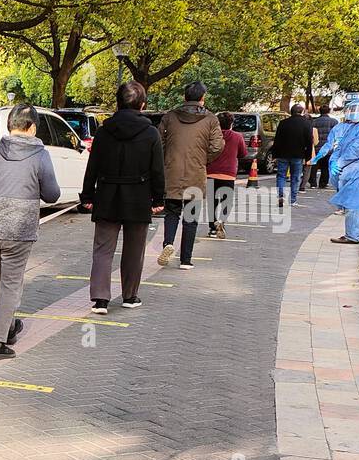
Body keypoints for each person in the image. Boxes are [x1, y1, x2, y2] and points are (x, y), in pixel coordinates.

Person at [0, 102, 60, 359]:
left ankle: (9, 326)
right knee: (11, 285)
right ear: (32, 127)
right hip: (20, 229)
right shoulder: (40, 155)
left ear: (10, 125)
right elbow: (52, 194)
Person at [81, 80, 165, 313]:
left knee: (103, 249)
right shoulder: (150, 133)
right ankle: (130, 295)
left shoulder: (104, 132)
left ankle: (100, 299)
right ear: (143, 104)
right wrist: (158, 199)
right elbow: (157, 169)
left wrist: (87, 195)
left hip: (107, 193)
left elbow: (93, 166)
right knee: (134, 249)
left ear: (117, 103)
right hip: (138, 196)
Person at [156, 80, 223, 270]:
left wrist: (167, 159)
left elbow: (158, 142)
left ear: (185, 97)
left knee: (172, 212)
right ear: (203, 98)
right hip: (196, 172)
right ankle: (186, 260)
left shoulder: (170, 117)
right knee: (191, 218)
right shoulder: (211, 119)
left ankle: (168, 243)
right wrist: (203, 159)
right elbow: (217, 146)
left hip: (172, 171)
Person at [313, 95, 359, 245]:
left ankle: (353, 236)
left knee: (353, 204)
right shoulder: (350, 128)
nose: (352, 112)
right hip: (350, 173)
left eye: (356, 109)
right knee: (352, 204)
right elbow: (336, 145)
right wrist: (321, 157)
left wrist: (340, 163)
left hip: (358, 173)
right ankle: (354, 234)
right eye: (350, 109)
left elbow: (357, 150)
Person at [206, 112, 248, 238]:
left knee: (211, 201)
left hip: (211, 172)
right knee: (227, 201)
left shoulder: (211, 136)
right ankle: (222, 221)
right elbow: (243, 154)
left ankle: (212, 228)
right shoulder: (237, 136)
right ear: (231, 123)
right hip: (228, 174)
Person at [271, 104, 314, 208]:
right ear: (302, 112)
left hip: (283, 154)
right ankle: (293, 200)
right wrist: (308, 156)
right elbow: (309, 141)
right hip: (298, 155)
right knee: (295, 177)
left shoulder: (283, 123)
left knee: (281, 176)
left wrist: (274, 154)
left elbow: (277, 140)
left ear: (291, 112)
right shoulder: (306, 124)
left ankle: (280, 196)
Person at [310, 104, 338, 188]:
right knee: (325, 167)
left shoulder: (314, 122)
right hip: (328, 147)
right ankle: (323, 183)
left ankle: (313, 183)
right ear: (328, 111)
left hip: (316, 147)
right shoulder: (334, 122)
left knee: (314, 165)